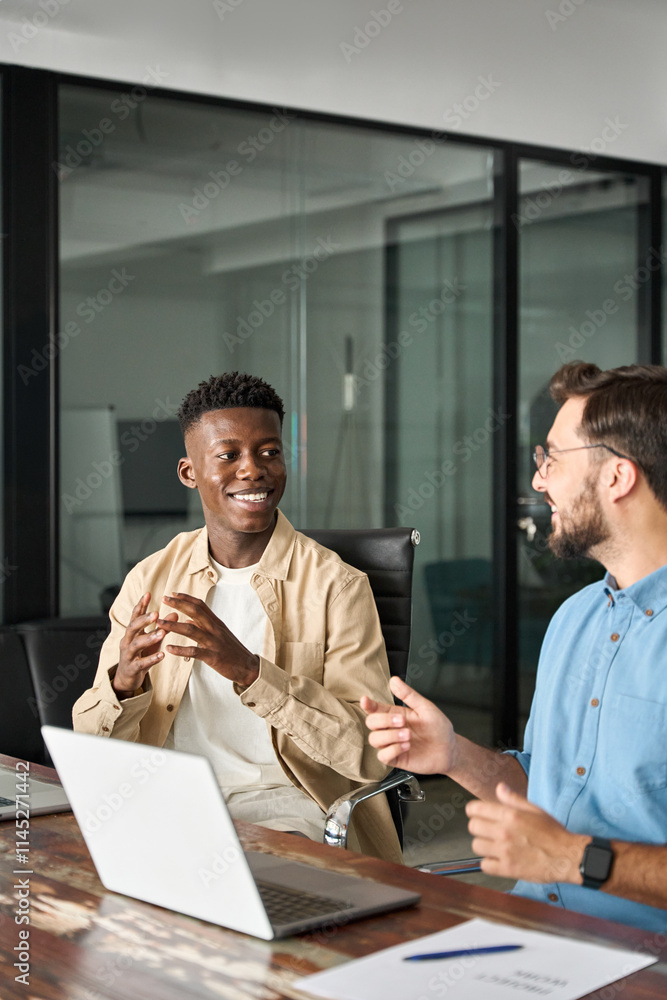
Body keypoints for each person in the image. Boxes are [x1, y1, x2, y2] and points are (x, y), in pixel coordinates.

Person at [363, 362, 667, 930]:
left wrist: (575, 859)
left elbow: (560, 845)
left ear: (618, 477)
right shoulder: (574, 620)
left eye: (552, 459)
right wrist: (455, 756)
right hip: (531, 935)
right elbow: (543, 796)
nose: (538, 481)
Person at [73, 372, 401, 862]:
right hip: (171, 805)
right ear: (189, 473)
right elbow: (90, 742)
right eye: (228, 455)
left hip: (287, 810)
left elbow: (369, 754)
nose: (254, 470)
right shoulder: (150, 580)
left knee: (250, 885)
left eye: (269, 452)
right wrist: (122, 684)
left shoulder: (338, 586)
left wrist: (250, 673)